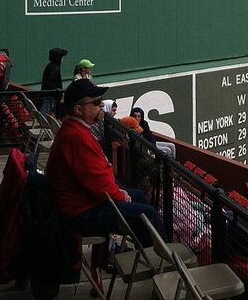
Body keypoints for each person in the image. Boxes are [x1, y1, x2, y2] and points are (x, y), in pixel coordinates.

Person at [46, 79, 164, 245]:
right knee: (148, 214)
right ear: (78, 109)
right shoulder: (76, 137)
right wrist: (119, 194)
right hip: (80, 212)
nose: (100, 106)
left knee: (138, 196)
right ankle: (165, 264)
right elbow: (98, 185)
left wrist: (118, 192)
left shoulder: (74, 130)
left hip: (81, 202)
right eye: (95, 102)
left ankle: (148, 251)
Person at [40, 47, 68, 115]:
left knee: (45, 111)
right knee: (44, 112)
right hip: (50, 95)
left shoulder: (51, 66)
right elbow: (51, 84)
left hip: (48, 94)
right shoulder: (54, 68)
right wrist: (58, 93)